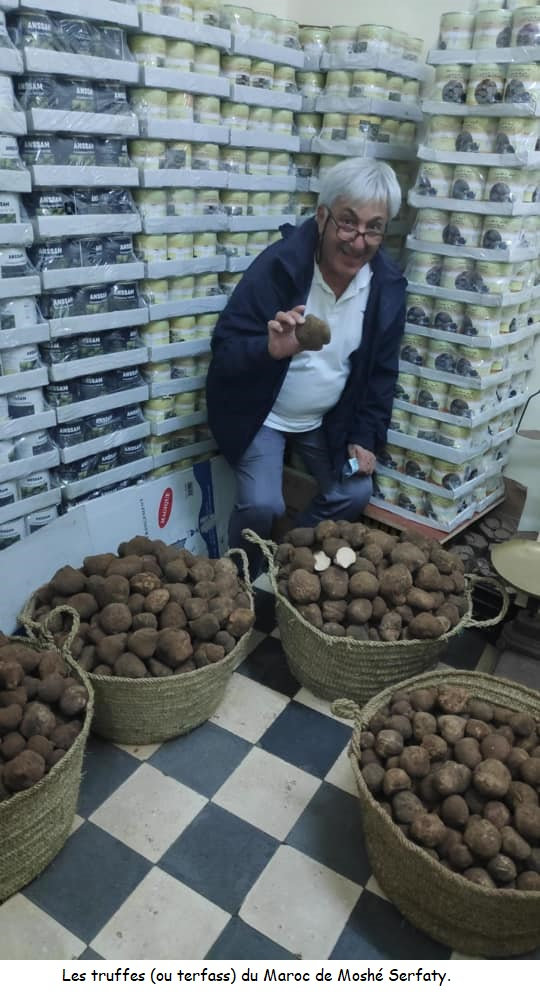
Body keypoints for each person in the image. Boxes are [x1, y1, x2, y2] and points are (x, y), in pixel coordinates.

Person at [206, 157, 407, 570]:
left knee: (354, 492)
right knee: (263, 503)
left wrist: (364, 436)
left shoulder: (385, 287)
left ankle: (287, 557)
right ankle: (241, 575)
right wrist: (269, 349)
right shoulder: (279, 267)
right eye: (348, 223)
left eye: (374, 227)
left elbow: (381, 374)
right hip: (263, 412)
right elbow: (224, 350)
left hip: (327, 418)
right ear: (322, 217)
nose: (359, 241)